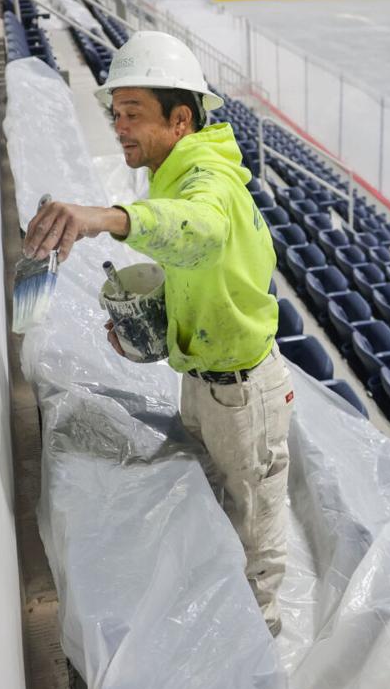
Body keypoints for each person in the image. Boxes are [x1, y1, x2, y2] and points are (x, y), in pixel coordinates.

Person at [22, 31, 292, 636]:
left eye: (134, 114)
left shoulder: (208, 183)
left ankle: (259, 646)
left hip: (244, 394)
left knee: (256, 525)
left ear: (181, 119)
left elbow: (198, 230)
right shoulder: (172, 170)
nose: (120, 127)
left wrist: (106, 218)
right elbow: (193, 266)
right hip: (207, 380)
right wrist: (162, 329)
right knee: (222, 498)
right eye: (115, 114)